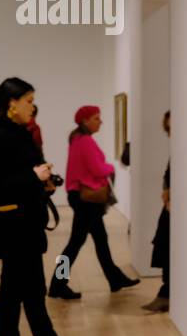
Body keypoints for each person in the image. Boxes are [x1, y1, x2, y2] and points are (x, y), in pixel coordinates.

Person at [0, 78, 82, 336]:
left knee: (19, 296)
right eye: (28, 100)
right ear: (11, 103)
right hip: (13, 228)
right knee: (29, 295)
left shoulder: (21, 136)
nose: (32, 106)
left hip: (26, 226)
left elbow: (26, 177)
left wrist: (46, 184)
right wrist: (33, 178)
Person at [48, 105, 139, 300]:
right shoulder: (86, 141)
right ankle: (57, 283)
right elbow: (98, 169)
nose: (101, 121)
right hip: (85, 199)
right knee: (75, 243)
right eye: (97, 118)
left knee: (100, 239)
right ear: (85, 120)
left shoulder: (77, 139)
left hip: (80, 197)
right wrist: (110, 167)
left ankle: (114, 278)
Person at [143, 110, 170, 313]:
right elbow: (168, 174)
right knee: (164, 243)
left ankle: (166, 293)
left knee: (166, 244)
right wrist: (167, 192)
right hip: (171, 205)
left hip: (178, 207)